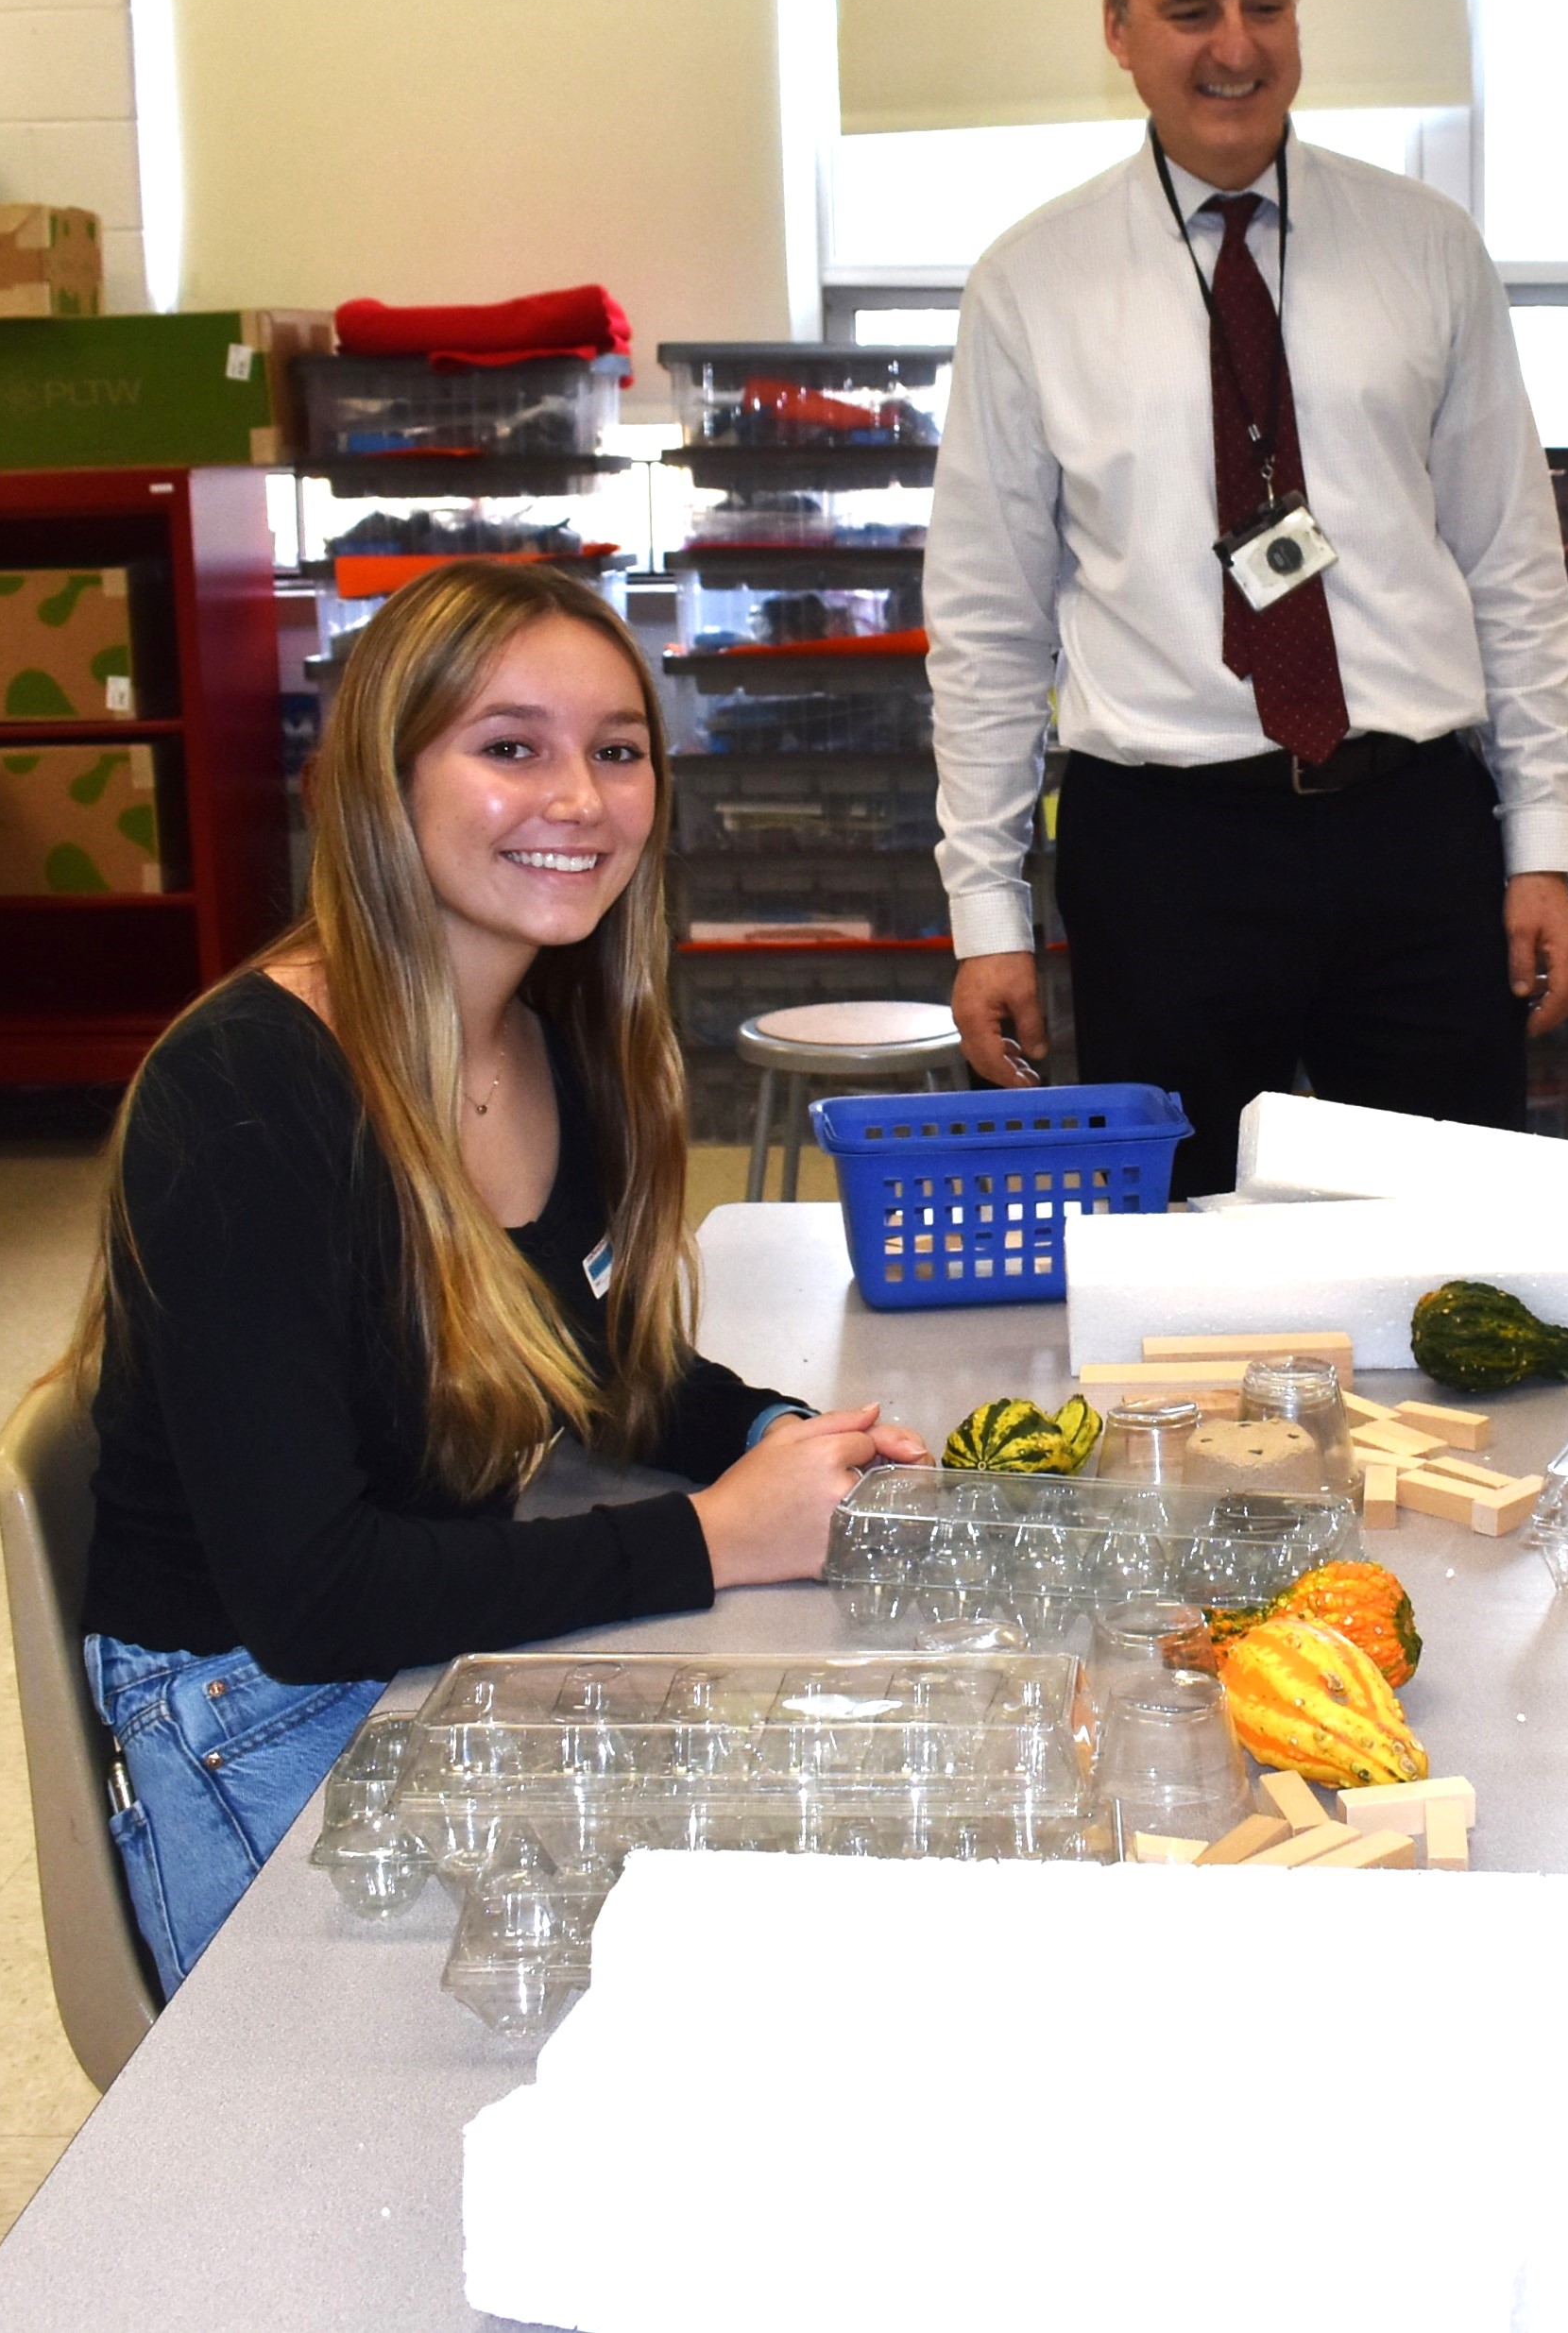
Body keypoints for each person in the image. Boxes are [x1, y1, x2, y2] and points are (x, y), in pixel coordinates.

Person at [67, 562, 929, 1989]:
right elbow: (310, 1596)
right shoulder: (242, 1094)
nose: (580, 801)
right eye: (510, 747)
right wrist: (714, 1540)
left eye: (617, 751)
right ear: (380, 781)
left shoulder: (546, 1029)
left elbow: (594, 1360)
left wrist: (781, 1444)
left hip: (428, 1642)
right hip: (263, 1702)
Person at [925, 0, 1568, 1199]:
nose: (1237, 47)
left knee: (1451, 1255)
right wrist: (986, 915)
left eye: (1267, 2)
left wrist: (1544, 848)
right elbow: (987, 628)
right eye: (1191, 12)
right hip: (1165, 851)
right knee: (1177, 1267)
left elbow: (1512, 562)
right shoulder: (1029, 286)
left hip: (1414, 833)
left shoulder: (1427, 250)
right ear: (1118, 30)